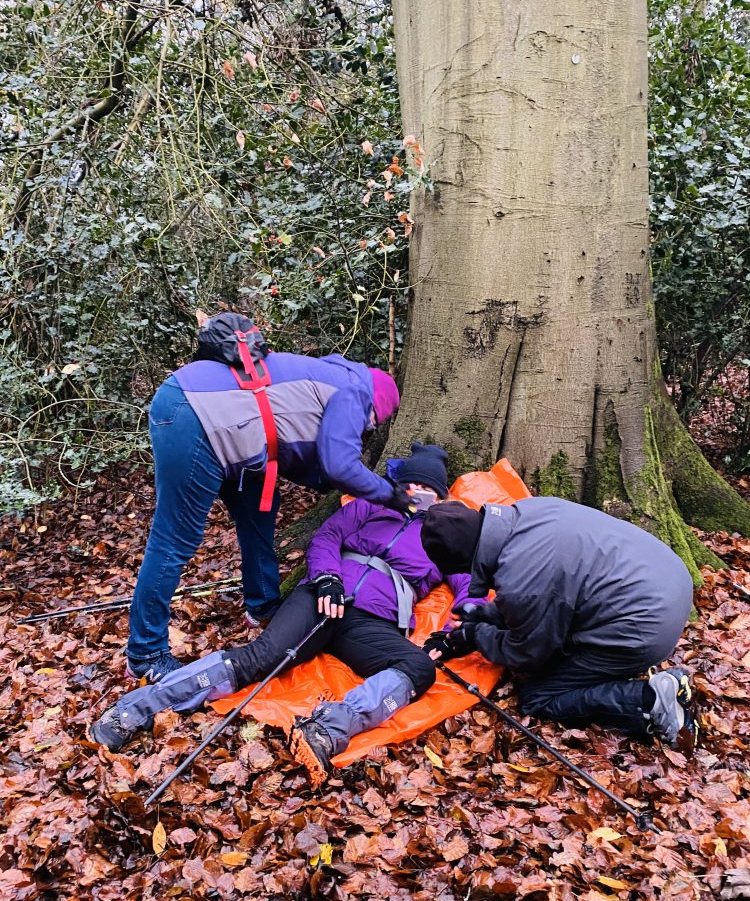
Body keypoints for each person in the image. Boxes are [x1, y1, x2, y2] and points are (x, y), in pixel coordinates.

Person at [92, 444, 481, 784]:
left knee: (418, 668)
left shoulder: (442, 528)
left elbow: (469, 585)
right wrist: (327, 578)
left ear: (440, 495)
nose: (417, 493)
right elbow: (327, 537)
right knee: (262, 657)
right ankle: (136, 709)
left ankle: (327, 730)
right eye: (411, 485)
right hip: (323, 596)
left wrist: (449, 634)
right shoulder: (370, 504)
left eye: (427, 488)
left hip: (373, 620)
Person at [126, 312, 406, 683]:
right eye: (374, 421)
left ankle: (262, 605)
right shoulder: (355, 393)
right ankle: (145, 653)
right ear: (379, 404)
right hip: (193, 415)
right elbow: (340, 465)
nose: (369, 427)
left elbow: (305, 451)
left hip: (236, 434)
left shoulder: (331, 375)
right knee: (175, 539)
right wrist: (393, 496)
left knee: (259, 515)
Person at [420, 498, 699, 749]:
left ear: (465, 561)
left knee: (538, 698)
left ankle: (648, 699)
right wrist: (487, 615)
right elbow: (544, 594)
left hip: (645, 626)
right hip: (668, 580)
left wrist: (476, 635)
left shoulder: (523, 580)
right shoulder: (528, 510)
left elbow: (528, 653)